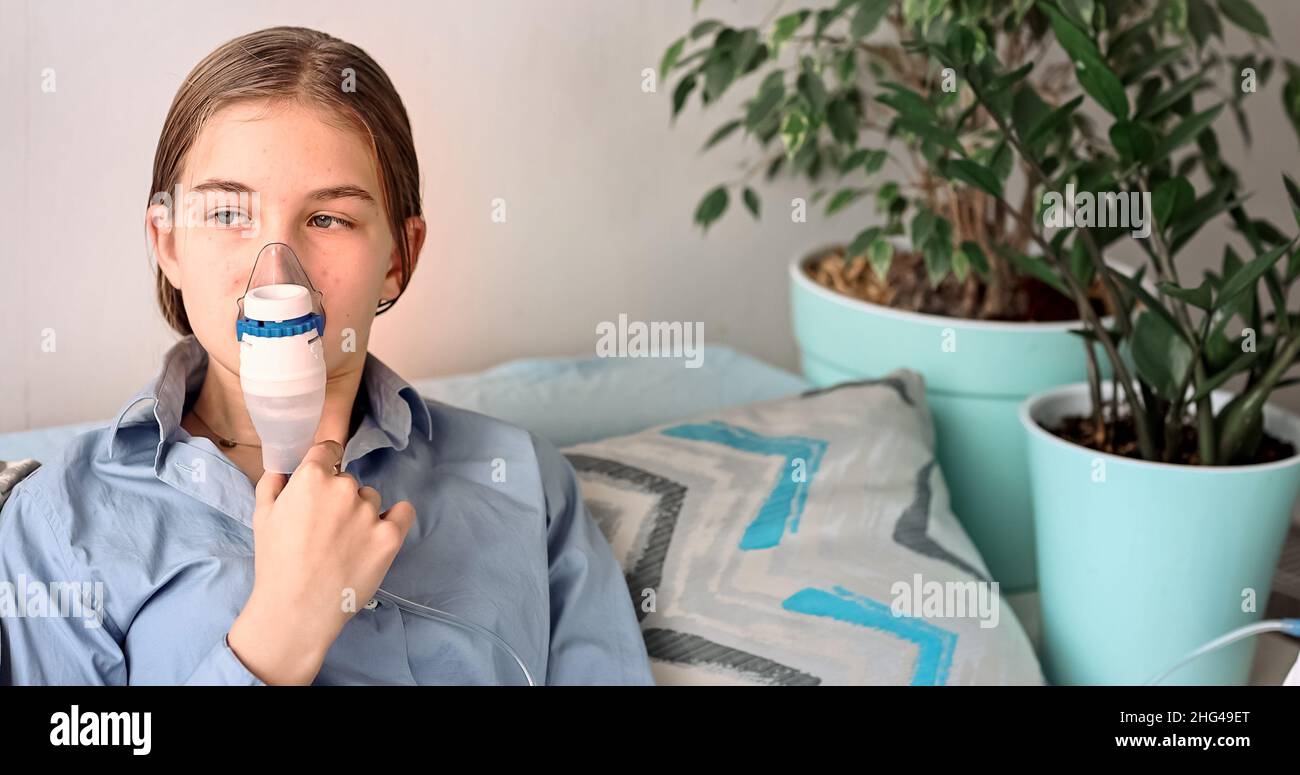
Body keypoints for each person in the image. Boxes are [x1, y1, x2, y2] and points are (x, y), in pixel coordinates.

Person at [0, 26, 653, 686]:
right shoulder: (61, 520)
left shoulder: (519, 480)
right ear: (166, 244)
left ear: (399, 257)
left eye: (328, 219)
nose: (277, 274)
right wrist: (279, 634)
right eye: (228, 214)